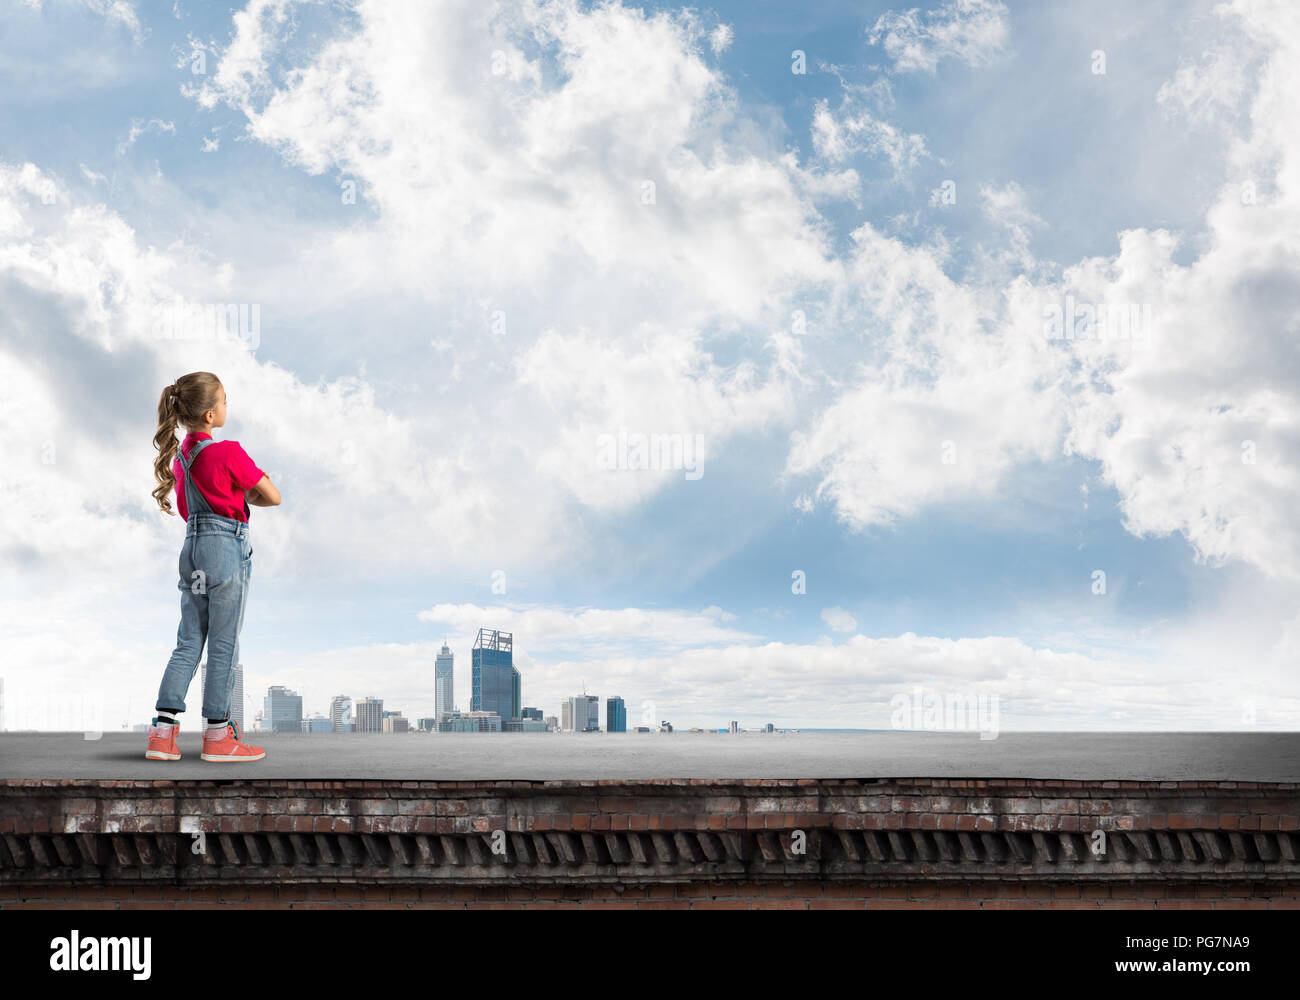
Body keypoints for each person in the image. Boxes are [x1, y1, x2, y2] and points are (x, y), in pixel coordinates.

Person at [145, 372, 281, 762]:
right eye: (223, 399)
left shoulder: (180, 462)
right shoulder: (229, 453)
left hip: (191, 550)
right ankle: (218, 736)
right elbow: (272, 497)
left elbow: (190, 510)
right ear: (208, 414)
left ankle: (162, 733)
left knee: (188, 640)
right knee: (223, 643)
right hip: (224, 548)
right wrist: (248, 487)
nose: (226, 405)